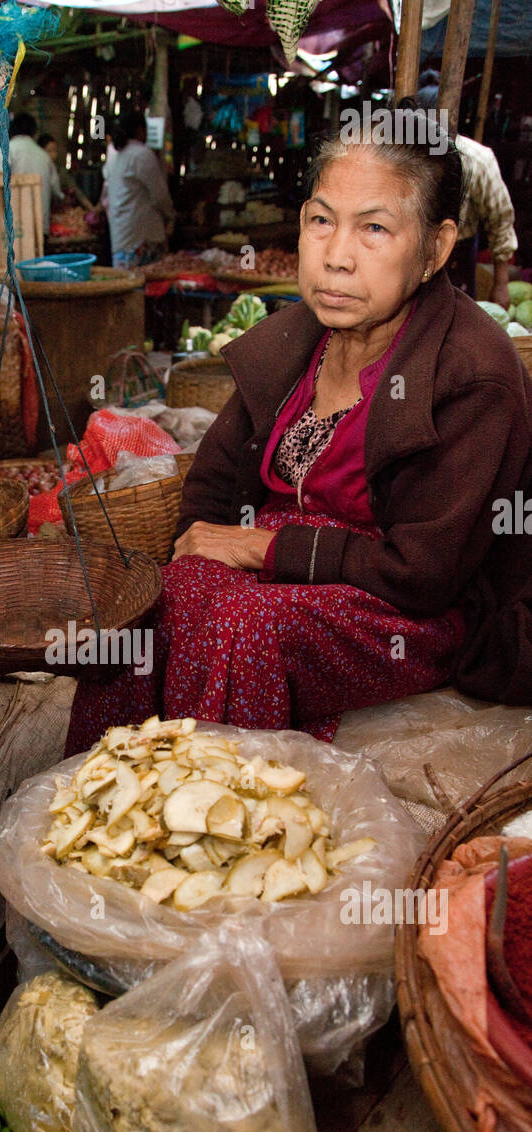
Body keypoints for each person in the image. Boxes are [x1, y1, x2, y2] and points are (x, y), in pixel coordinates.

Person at [64, 104, 532, 757]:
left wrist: (261, 551)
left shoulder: (474, 375)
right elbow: (212, 491)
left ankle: (214, 822)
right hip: (288, 561)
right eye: (321, 221)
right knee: (145, 607)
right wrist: (196, 555)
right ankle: (98, 799)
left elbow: (424, 573)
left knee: (240, 624)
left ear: (435, 248)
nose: (336, 257)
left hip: (405, 606)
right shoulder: (296, 342)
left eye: (374, 228)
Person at [418, 71, 517, 307]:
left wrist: (501, 283)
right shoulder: (401, 158)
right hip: (412, 255)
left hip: (457, 258)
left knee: (455, 323)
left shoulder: (476, 158)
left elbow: (500, 219)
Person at [104, 112, 174, 268]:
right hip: (141, 238)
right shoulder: (141, 154)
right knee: (145, 285)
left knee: (127, 286)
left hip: (121, 236)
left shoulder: (116, 154)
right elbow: (160, 195)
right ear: (140, 130)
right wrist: (170, 216)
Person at [0, 111, 54, 235]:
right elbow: (54, 188)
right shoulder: (44, 156)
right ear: (34, 132)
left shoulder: (5, 151)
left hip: (16, 229)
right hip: (40, 226)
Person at [37, 133, 97, 214]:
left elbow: (77, 192)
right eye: (49, 151)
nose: (53, 155)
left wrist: (92, 209)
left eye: (55, 151)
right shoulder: (36, 172)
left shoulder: (61, 172)